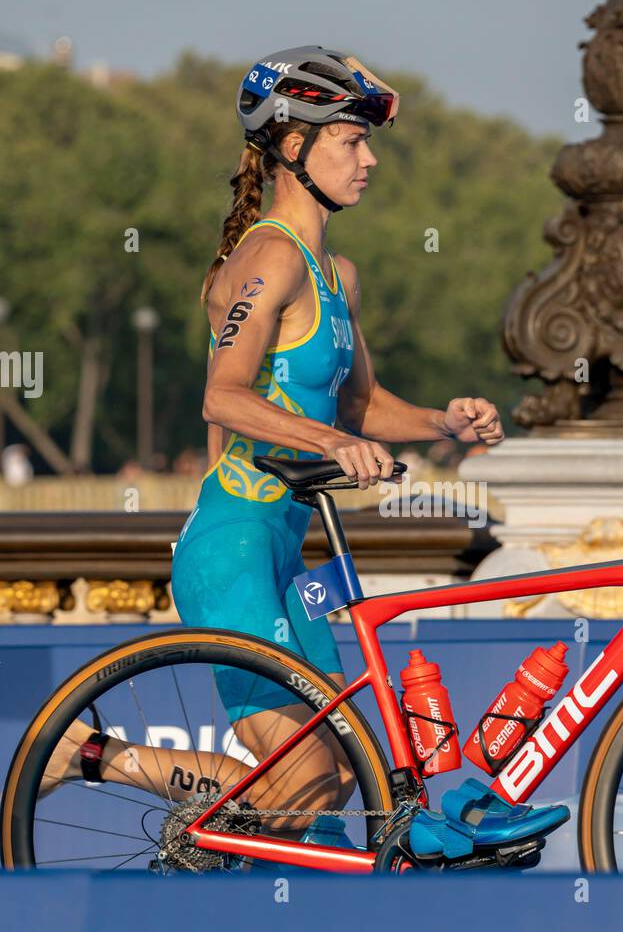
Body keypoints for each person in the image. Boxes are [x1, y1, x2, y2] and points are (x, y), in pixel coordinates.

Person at [49, 45, 568, 858]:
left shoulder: (335, 272)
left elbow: (356, 403)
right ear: (293, 147)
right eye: (350, 141)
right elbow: (224, 394)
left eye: (367, 142)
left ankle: (241, 866)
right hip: (234, 547)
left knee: (329, 785)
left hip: (292, 553)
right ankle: (87, 755)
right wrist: (334, 442)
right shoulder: (269, 258)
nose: (369, 160)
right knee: (298, 786)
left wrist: (443, 423)